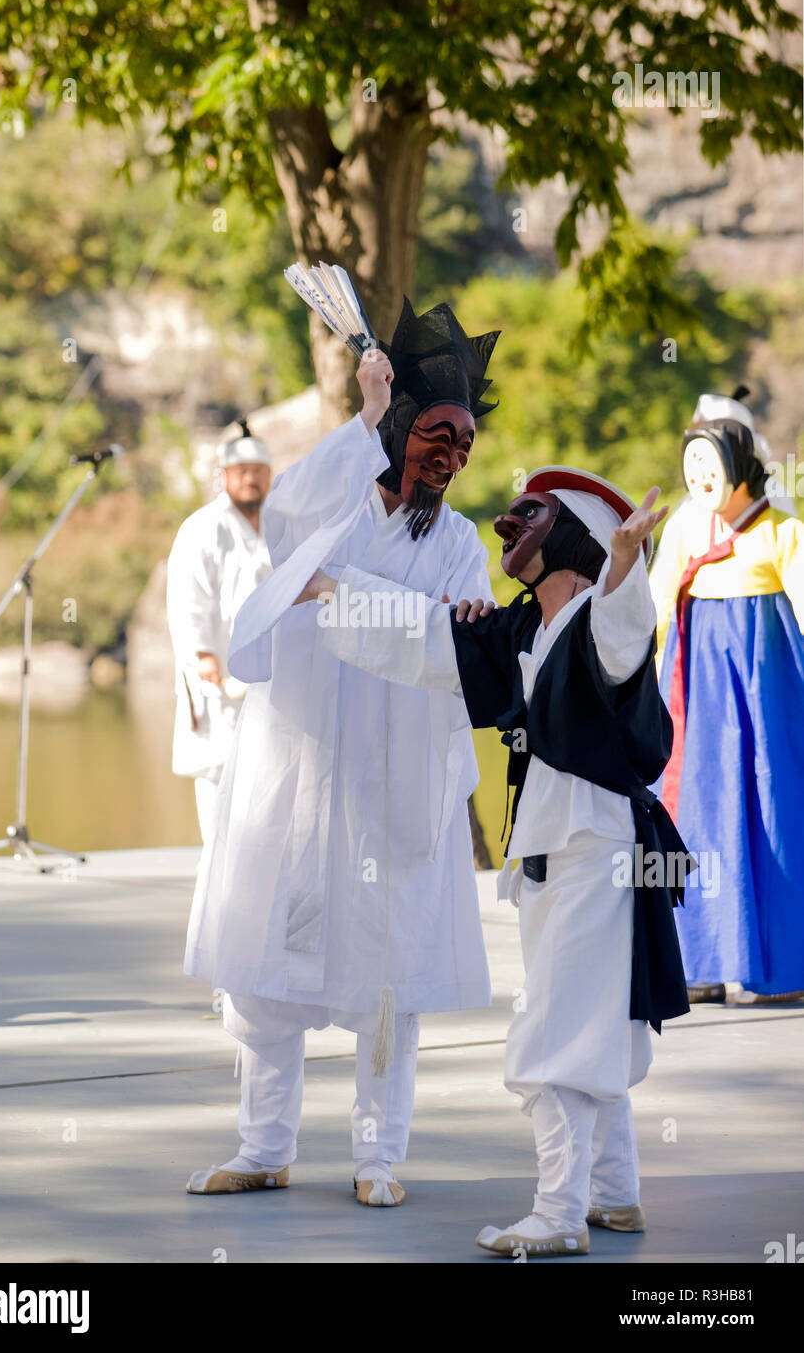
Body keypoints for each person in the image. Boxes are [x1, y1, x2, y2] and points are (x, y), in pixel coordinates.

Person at [295, 466, 691, 1255]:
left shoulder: (598, 618)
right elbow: (426, 635)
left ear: (572, 540)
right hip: (560, 847)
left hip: (594, 846)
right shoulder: (523, 630)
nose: (510, 530)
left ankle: (557, 1214)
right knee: (595, 1018)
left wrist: (623, 562)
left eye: (530, 518)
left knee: (553, 1030)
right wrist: (331, 590)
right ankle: (614, 1195)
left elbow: (621, 629)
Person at [183, 299, 501, 1206]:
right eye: (438, 433)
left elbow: (456, 650)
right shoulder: (333, 508)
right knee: (267, 970)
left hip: (394, 777)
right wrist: (361, 415)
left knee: (387, 985)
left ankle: (378, 1159)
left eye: (467, 445)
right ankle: (262, 1146)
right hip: (304, 758)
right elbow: (289, 525)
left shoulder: (462, 545)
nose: (453, 454)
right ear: (399, 429)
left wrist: (353, 598)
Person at [649, 388, 804, 1005]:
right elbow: (658, 605)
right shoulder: (686, 523)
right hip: (700, 701)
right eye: (691, 466)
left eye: (710, 465)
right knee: (700, 817)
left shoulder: (783, 532)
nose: (699, 478)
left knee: (774, 814)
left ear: (740, 462)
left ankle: (781, 970)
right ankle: (702, 963)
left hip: (768, 702)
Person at [166, 420, 272, 845]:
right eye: (241, 470)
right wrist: (202, 654)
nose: (250, 478)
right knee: (219, 776)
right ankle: (217, 883)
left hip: (266, 678)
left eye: (257, 470)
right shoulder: (202, 528)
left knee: (264, 785)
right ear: (224, 476)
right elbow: (187, 600)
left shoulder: (277, 527)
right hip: (218, 678)